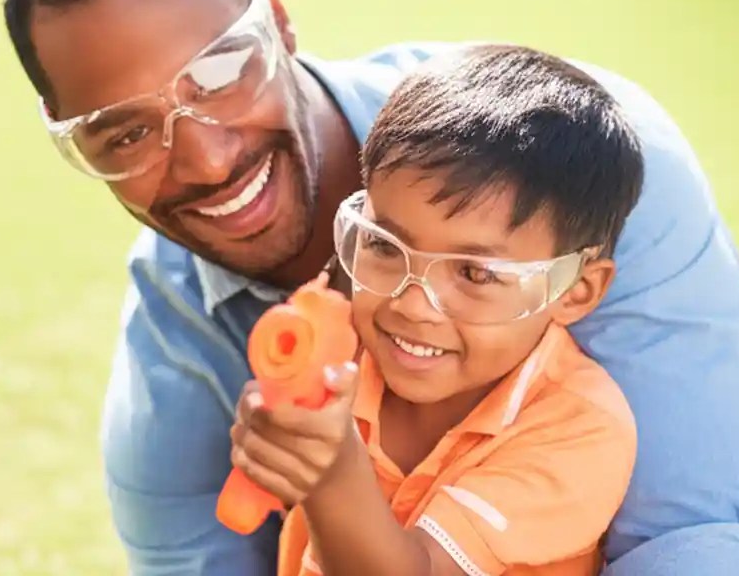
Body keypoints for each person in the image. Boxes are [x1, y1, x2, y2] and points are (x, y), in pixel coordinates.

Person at [1, 0, 739, 575]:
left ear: (279, 21)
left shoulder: (601, 176)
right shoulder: (181, 362)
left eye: (221, 71)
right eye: (126, 134)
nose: (202, 160)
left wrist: (330, 475)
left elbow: (694, 541)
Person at [231, 43, 643, 576]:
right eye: (383, 247)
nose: (412, 305)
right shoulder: (342, 348)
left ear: (575, 291)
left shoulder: (580, 428)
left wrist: (331, 474)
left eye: (475, 274)